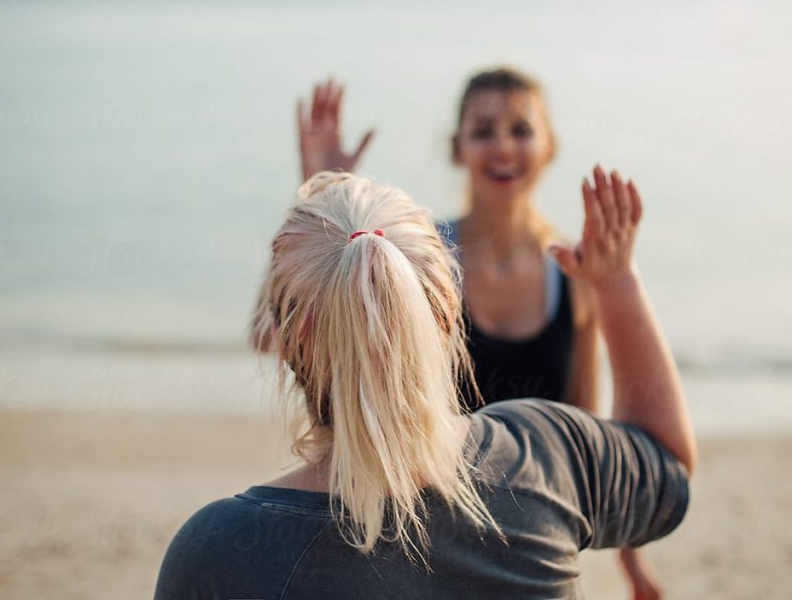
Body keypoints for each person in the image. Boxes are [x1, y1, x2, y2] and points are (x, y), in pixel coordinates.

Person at [154, 170, 696, 599]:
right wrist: (617, 280)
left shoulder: (219, 552)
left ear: (284, 334)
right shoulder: (543, 458)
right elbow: (667, 462)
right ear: (443, 314)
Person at [294, 71, 665, 596]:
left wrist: (632, 563)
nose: (503, 146)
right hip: (422, 528)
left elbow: (584, 429)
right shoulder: (422, 256)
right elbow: (318, 343)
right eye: (484, 130)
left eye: (520, 129)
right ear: (458, 148)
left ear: (549, 146)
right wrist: (320, 190)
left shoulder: (575, 272)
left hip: (529, 537)